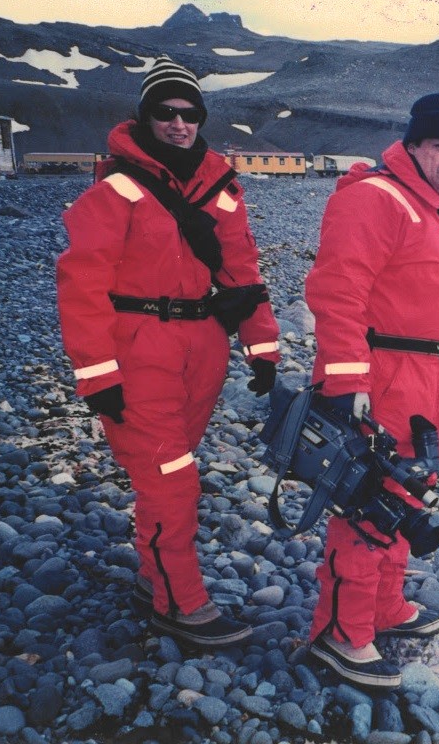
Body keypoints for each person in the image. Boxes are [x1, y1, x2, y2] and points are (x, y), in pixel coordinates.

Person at [56, 56, 281, 648]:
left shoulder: (221, 187)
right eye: (166, 113)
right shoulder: (117, 190)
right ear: (146, 117)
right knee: (171, 480)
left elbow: (242, 270)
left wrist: (262, 346)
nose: (179, 124)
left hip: (203, 348)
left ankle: (157, 576)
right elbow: (81, 284)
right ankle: (180, 605)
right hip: (138, 350)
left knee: (170, 471)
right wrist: (95, 372)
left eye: (190, 114)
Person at [304, 93, 439, 687]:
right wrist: (345, 379)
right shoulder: (377, 198)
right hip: (385, 379)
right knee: (367, 501)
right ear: (412, 146)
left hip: (432, 379)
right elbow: (338, 291)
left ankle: (381, 607)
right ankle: (340, 631)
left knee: (407, 493)